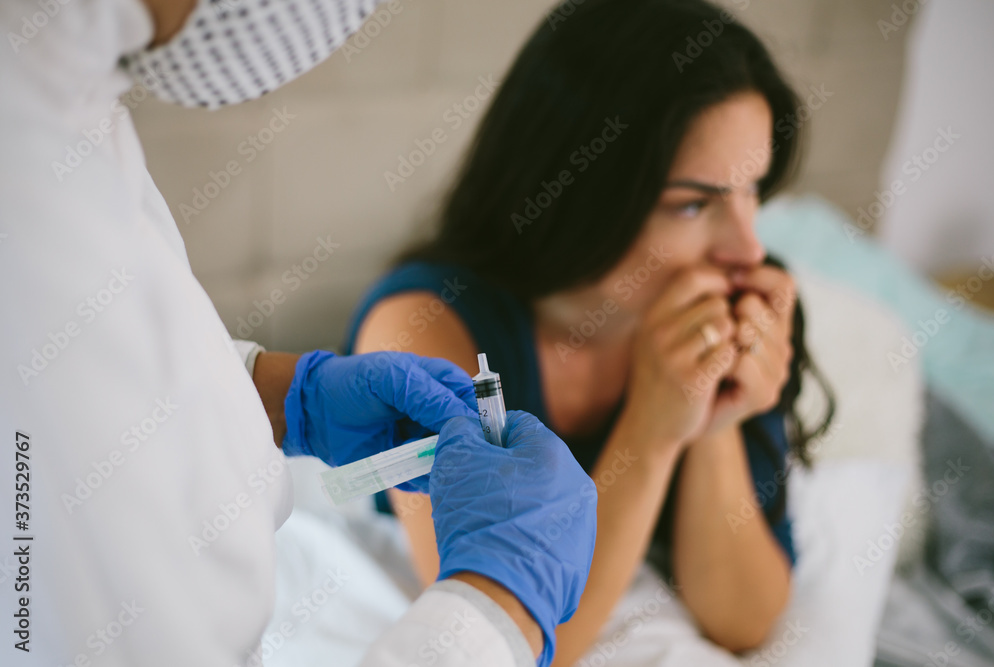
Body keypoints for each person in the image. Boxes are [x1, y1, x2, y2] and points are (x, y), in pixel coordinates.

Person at [0, 1, 597, 665]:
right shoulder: (21, 193)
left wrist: (272, 391)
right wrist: (499, 602)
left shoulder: (56, 96)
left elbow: (110, 366)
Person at [346, 0, 835, 664]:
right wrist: (655, 427)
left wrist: (711, 421)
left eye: (753, 192)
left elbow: (743, 619)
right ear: (579, 186)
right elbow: (504, 629)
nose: (748, 250)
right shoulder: (425, 331)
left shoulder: (731, 300)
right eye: (695, 203)